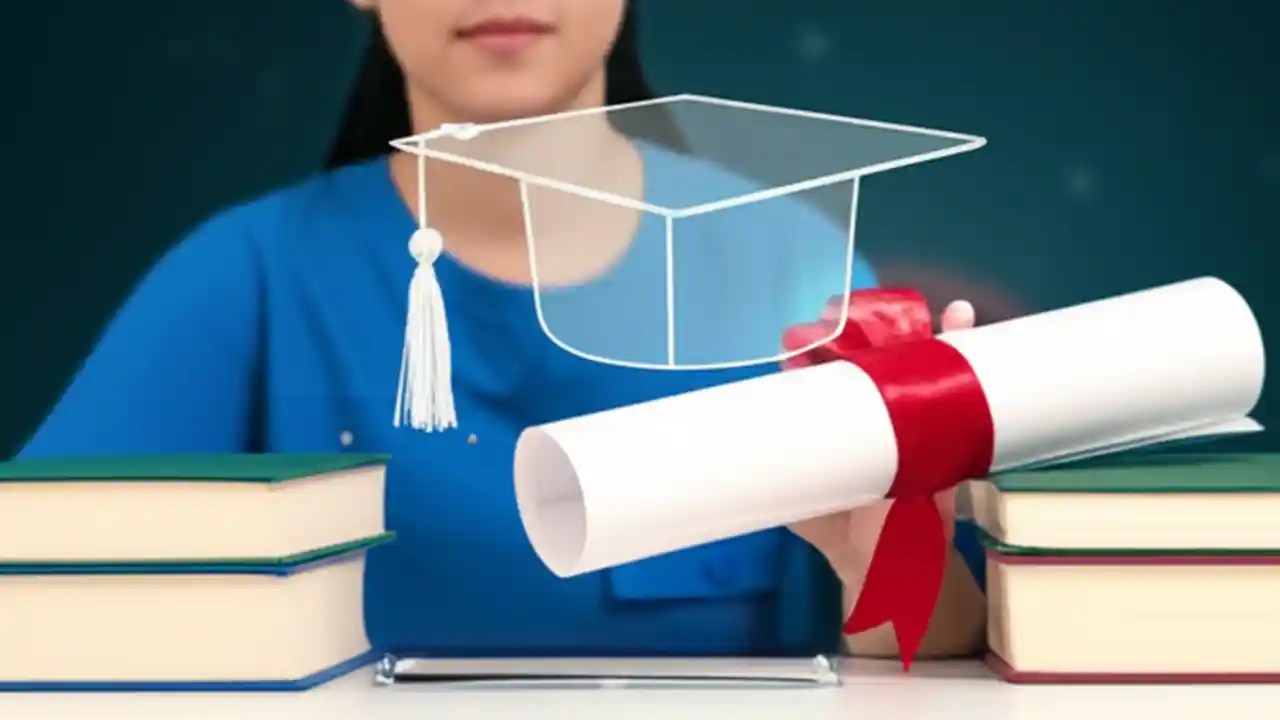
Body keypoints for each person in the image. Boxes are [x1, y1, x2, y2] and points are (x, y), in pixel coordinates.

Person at [19, 0, 986, 659]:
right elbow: (31, 588)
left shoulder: (799, 272)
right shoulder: (250, 279)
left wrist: (878, 558)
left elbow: (945, 653)